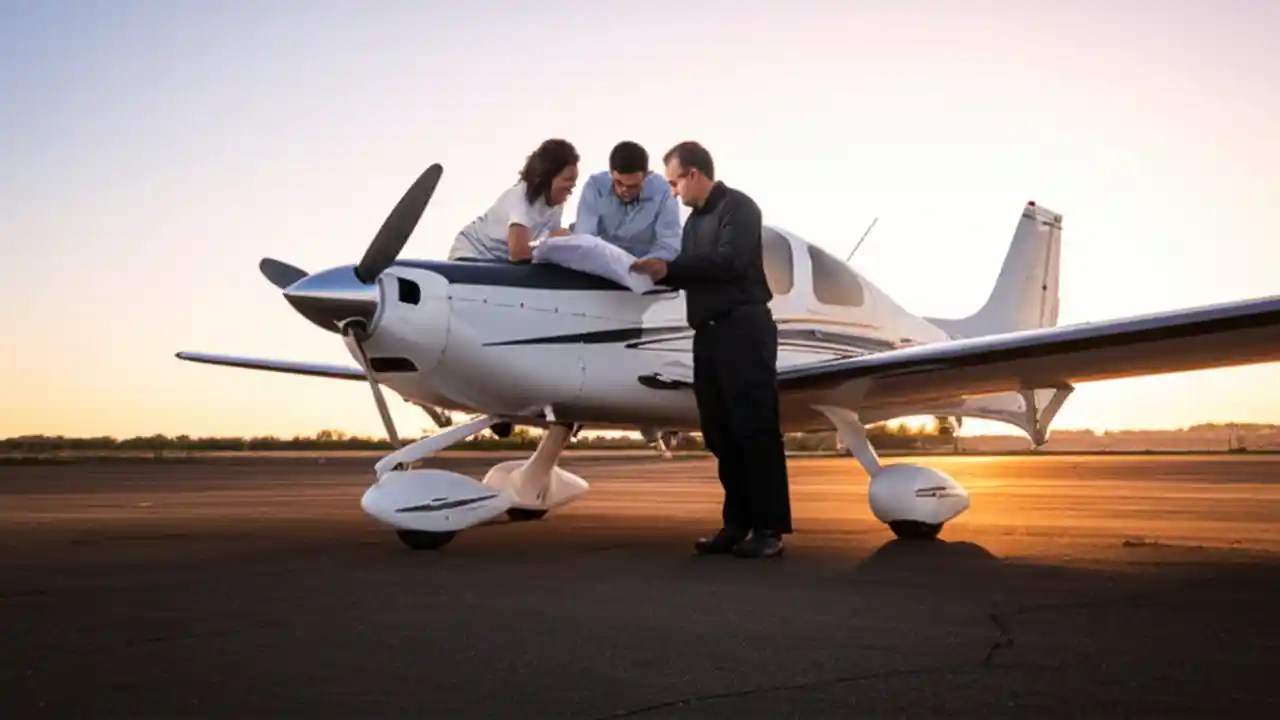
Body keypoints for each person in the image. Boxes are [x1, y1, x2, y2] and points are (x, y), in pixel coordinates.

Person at [631, 141, 791, 559]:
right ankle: (736, 524)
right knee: (719, 432)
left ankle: (770, 529)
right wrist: (642, 274)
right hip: (708, 335)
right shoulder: (691, 225)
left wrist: (672, 268)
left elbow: (730, 263)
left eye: (674, 182)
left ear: (694, 174)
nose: (673, 192)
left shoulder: (739, 208)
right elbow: (689, 273)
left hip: (744, 328)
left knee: (754, 428)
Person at [448, 139, 579, 262]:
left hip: (499, 262)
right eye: (568, 179)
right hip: (472, 253)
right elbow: (518, 254)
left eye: (575, 180)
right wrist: (550, 241)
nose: (573, 185)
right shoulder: (521, 197)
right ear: (548, 177)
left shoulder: (556, 208)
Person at [573, 141, 682, 261]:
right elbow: (585, 238)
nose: (624, 190)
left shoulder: (662, 191)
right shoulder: (595, 187)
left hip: (645, 269)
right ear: (611, 174)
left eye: (633, 186)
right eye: (618, 183)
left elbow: (669, 243)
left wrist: (650, 263)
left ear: (646, 176)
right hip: (602, 265)